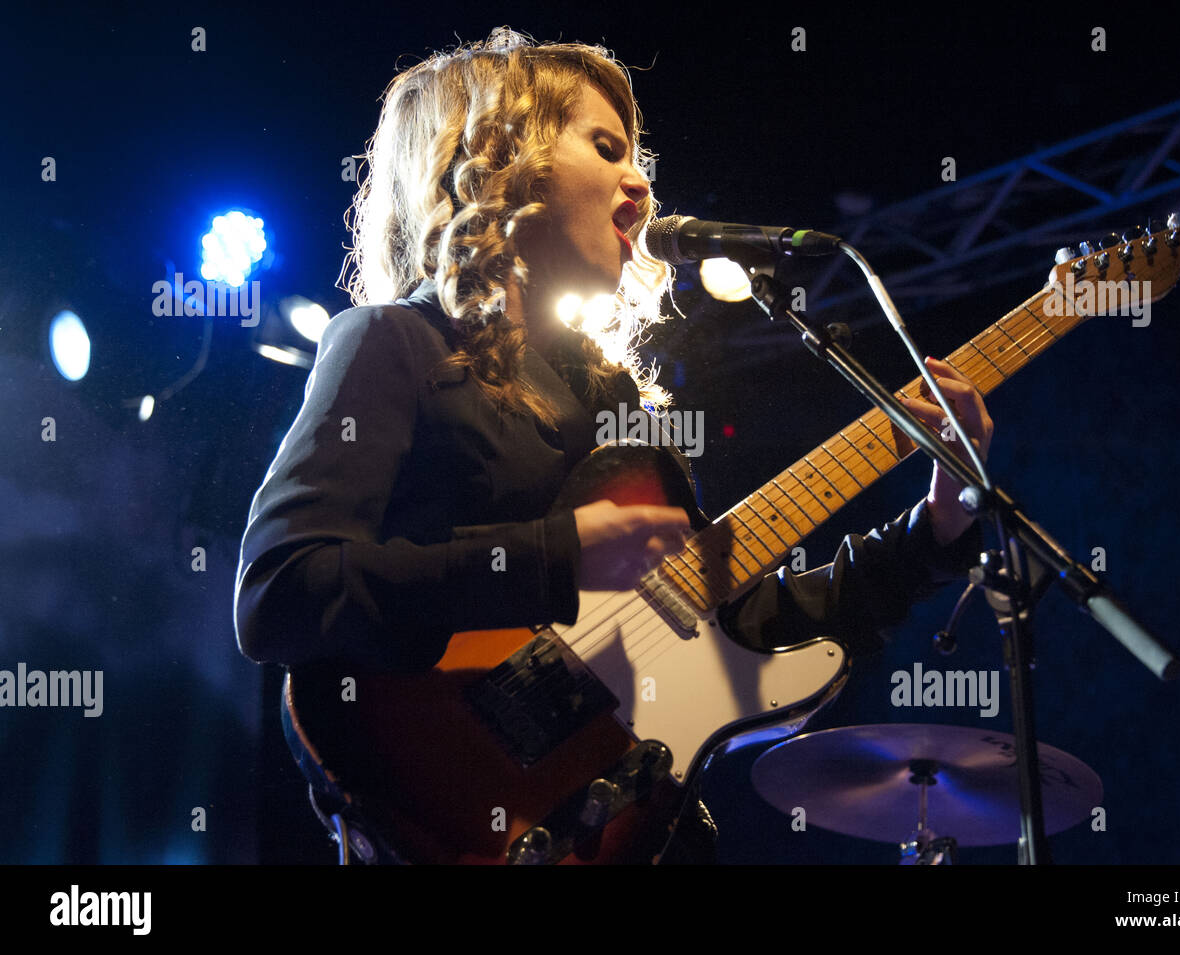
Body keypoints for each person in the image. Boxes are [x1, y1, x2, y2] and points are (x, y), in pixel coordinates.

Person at [233, 27, 993, 863]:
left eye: (640, 158)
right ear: (498, 158)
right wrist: (559, 556)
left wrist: (934, 529)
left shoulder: (614, 404)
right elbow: (278, 592)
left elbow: (741, 632)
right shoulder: (392, 343)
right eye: (607, 146)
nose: (641, 184)